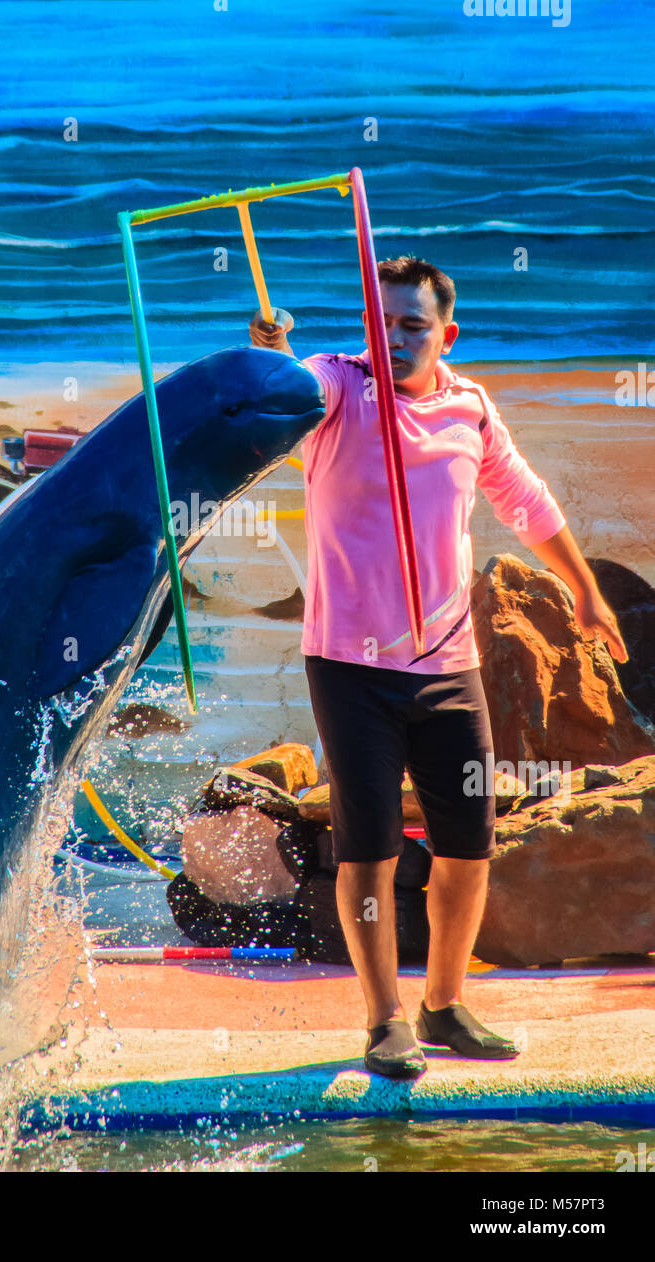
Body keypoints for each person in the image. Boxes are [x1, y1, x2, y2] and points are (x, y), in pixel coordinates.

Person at [249, 255, 628, 1079]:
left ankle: (446, 1005)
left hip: (448, 664)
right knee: (370, 850)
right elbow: (277, 401)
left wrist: (588, 594)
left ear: (444, 334)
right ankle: (386, 1020)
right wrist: (273, 353)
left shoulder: (470, 409)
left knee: (467, 845)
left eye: (412, 326)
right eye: (381, 322)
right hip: (350, 666)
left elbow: (525, 501)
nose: (393, 339)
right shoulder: (335, 387)